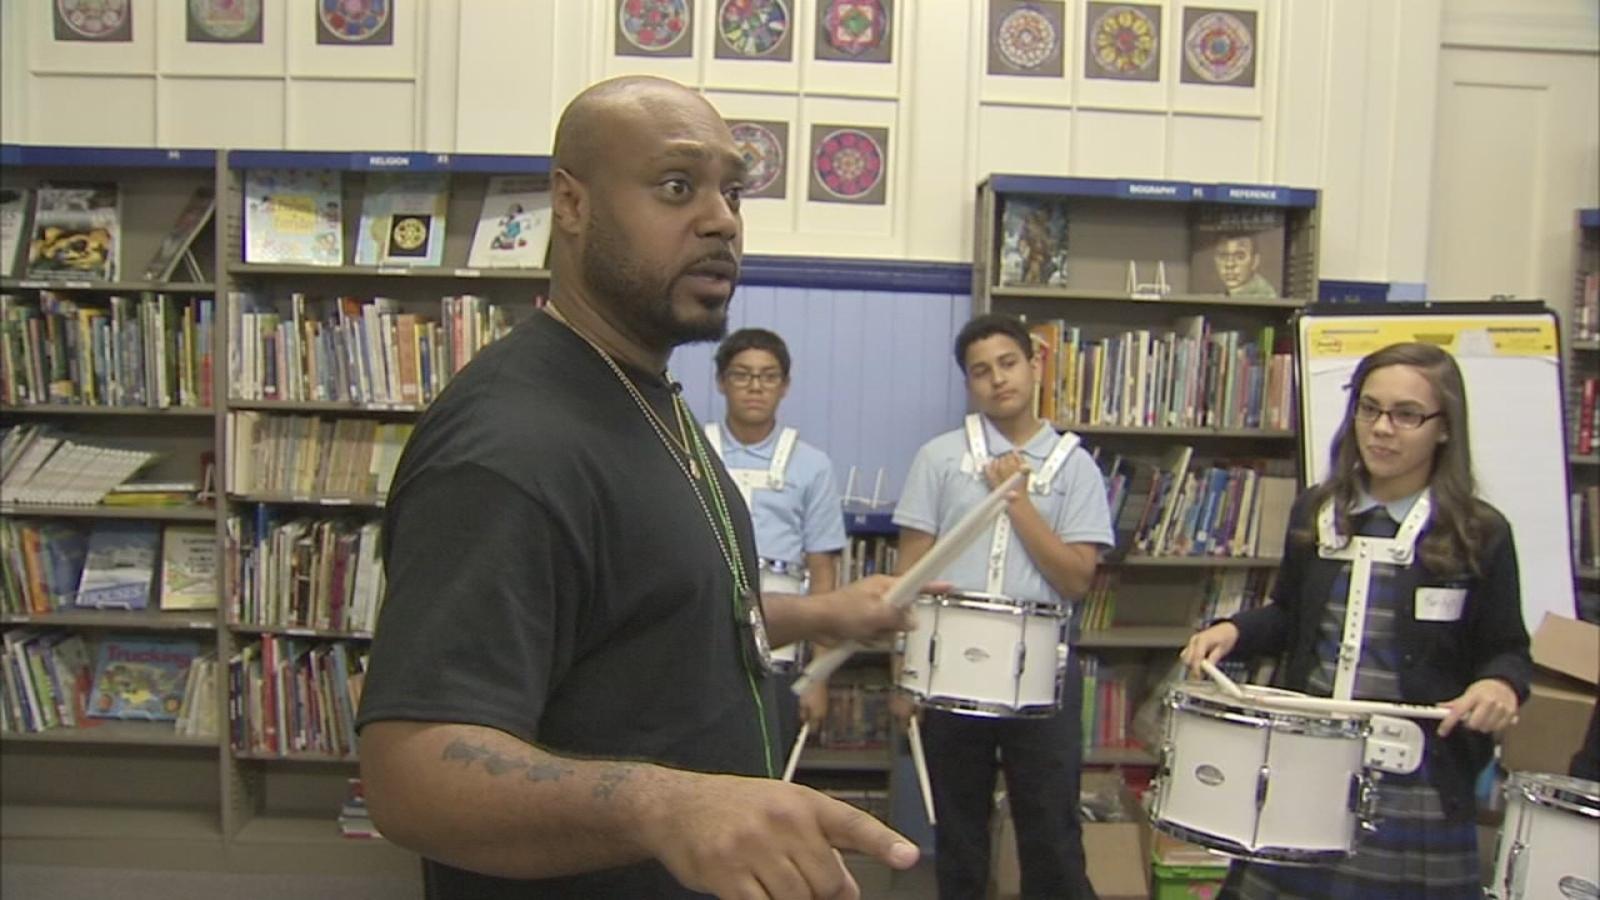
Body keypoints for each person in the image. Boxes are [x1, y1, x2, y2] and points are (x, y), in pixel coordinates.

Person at [354, 74, 926, 900]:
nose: (722, 218)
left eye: (732, 191)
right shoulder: (510, 446)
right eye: (675, 185)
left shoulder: (642, 393)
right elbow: (408, 774)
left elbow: (659, 607)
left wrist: (827, 615)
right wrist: (664, 805)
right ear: (571, 203)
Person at [1181, 341, 1533, 900]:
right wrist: (1235, 630)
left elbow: (1508, 649)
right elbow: (1292, 616)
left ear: (1444, 428)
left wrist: (1498, 684)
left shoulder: (1479, 532)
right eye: (1369, 409)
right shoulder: (1319, 511)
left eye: (1407, 415)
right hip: (1306, 769)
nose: (1382, 429)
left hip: (1416, 785)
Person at [890, 312, 1115, 900]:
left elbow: (1076, 579)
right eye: (980, 372)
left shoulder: (1075, 466)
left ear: (1035, 365)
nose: (998, 380)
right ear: (969, 383)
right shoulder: (939, 459)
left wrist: (1015, 499)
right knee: (958, 834)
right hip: (951, 671)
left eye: (1009, 364)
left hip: (1041, 676)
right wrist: (903, 673)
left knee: (1051, 831)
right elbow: (909, 574)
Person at [706, 327, 849, 753]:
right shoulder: (690, 451)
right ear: (721, 381)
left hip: (780, 652)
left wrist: (818, 677)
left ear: (784, 386)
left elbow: (824, 578)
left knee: (767, 781)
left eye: (768, 377)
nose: (755, 387)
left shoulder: (813, 466)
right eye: (742, 375)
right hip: (698, 650)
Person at [1212, 234, 1279, 297]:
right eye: (1223, 256)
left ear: (1255, 261)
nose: (1229, 264)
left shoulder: (1265, 297)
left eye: (1240, 256)